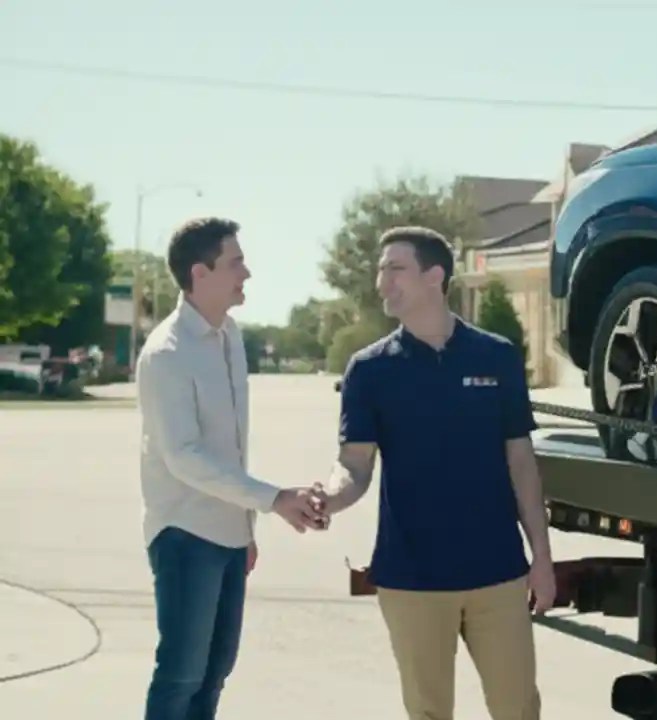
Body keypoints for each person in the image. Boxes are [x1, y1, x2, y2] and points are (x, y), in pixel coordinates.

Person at [317, 225, 556, 720]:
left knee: (519, 709)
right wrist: (328, 497)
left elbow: (522, 463)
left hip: (498, 574)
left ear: (434, 276)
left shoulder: (497, 356)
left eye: (395, 269)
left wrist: (543, 558)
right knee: (428, 713)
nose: (383, 282)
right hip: (412, 580)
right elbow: (355, 464)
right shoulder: (369, 370)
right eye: (380, 271)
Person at [135, 216, 328, 720]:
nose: (247, 272)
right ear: (201, 273)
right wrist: (273, 499)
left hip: (228, 537)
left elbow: (230, 449)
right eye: (236, 261)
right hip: (184, 535)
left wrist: (245, 529)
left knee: (216, 671)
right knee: (181, 674)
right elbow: (184, 457)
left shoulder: (229, 336)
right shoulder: (166, 353)